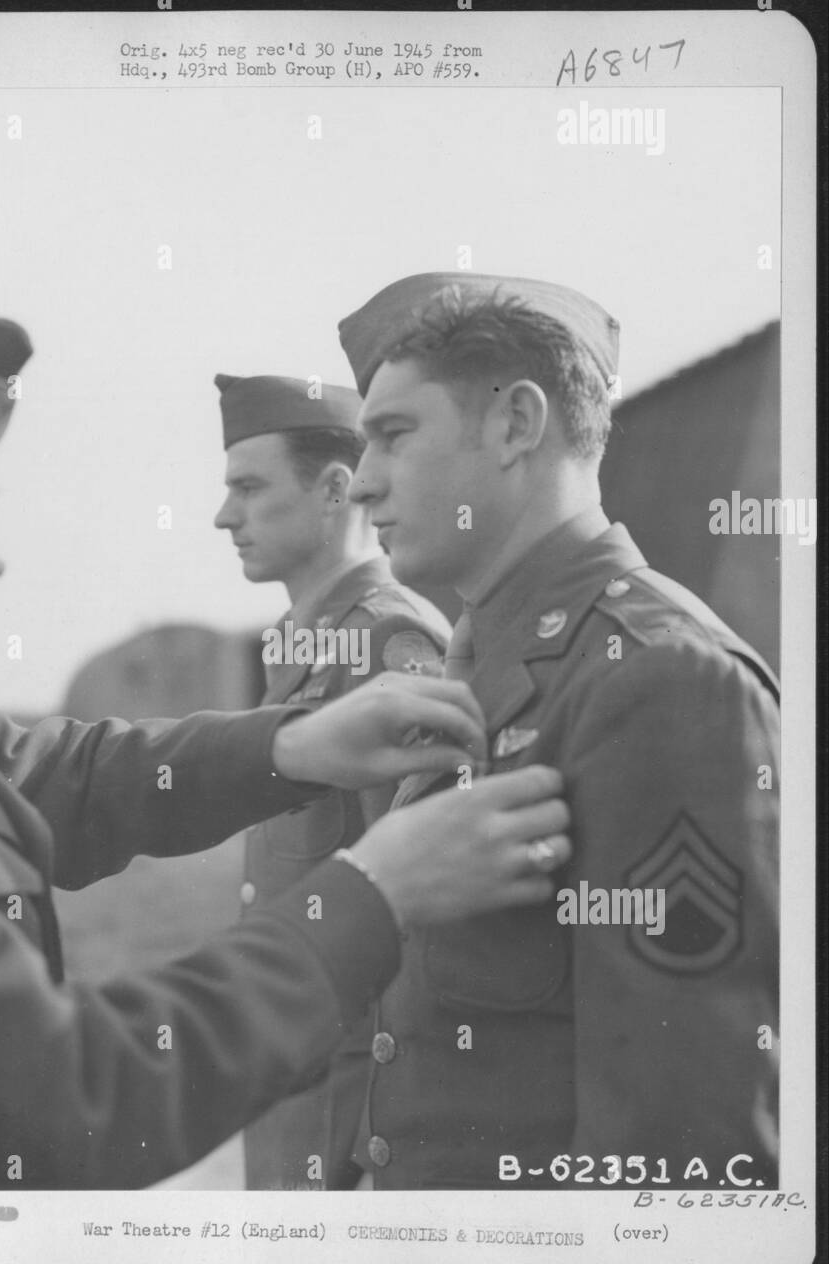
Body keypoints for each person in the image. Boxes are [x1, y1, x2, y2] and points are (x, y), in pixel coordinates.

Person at [0, 300, 572, 1190]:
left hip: (329, 1081)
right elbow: (61, 1096)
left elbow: (46, 772)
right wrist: (373, 889)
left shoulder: (389, 642)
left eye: (249, 487)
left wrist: (291, 748)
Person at [332, 273, 780, 1190]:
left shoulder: (658, 678)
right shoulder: (471, 668)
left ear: (515, 424)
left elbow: (677, 1150)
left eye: (394, 434)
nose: (364, 482)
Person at [213, 371, 451, 1190]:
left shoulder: (393, 640)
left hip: (349, 1105)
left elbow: (423, 910)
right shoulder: (291, 641)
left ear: (334, 491)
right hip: (290, 1070)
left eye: (248, 487)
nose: (223, 516)